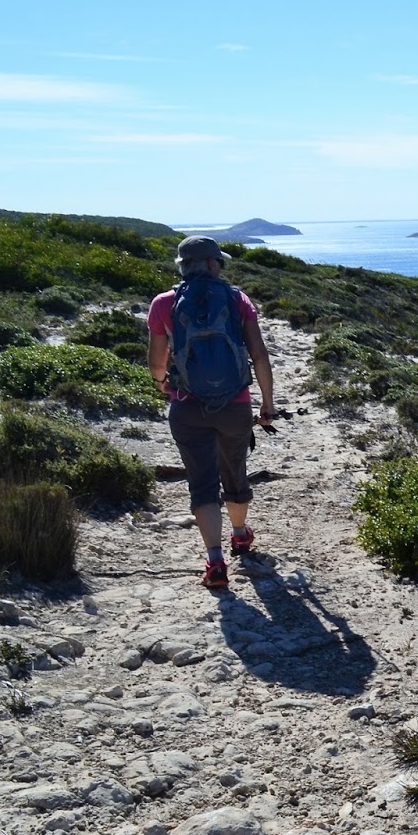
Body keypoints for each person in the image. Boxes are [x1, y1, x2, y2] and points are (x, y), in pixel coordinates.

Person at [147, 235, 277, 589]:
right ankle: (240, 533)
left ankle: (216, 562)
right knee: (234, 471)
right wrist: (267, 402)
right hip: (235, 404)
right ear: (211, 264)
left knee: (201, 482)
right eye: (218, 261)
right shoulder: (238, 300)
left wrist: (162, 383)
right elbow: (259, 355)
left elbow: (157, 361)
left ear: (183, 266)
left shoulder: (163, 303)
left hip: (187, 405)